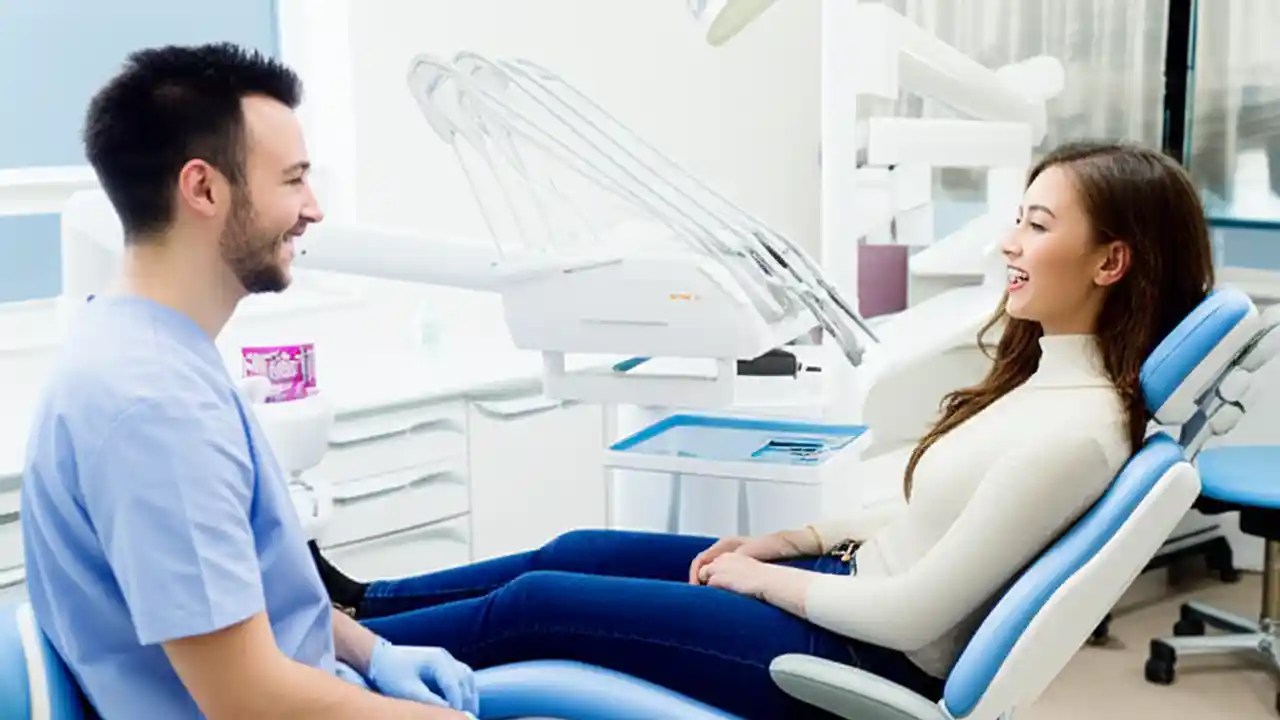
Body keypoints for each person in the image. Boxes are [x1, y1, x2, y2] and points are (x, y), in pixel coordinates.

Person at [303, 139, 1218, 720]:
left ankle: (317, 659)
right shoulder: (1045, 377)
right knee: (580, 548)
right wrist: (794, 539)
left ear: (1111, 260)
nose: (1007, 244)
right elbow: (925, 515)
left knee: (541, 606)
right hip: (843, 592)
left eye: (1036, 225)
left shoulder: (1077, 432)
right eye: (1016, 220)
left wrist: (762, 578)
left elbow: (914, 614)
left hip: (856, 658)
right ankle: (361, 603)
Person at [20, 44, 478, 719]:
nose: (313, 209)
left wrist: (374, 652)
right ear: (204, 189)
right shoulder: (153, 406)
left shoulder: (150, 350)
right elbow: (248, 699)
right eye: (293, 181)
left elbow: (250, 596)